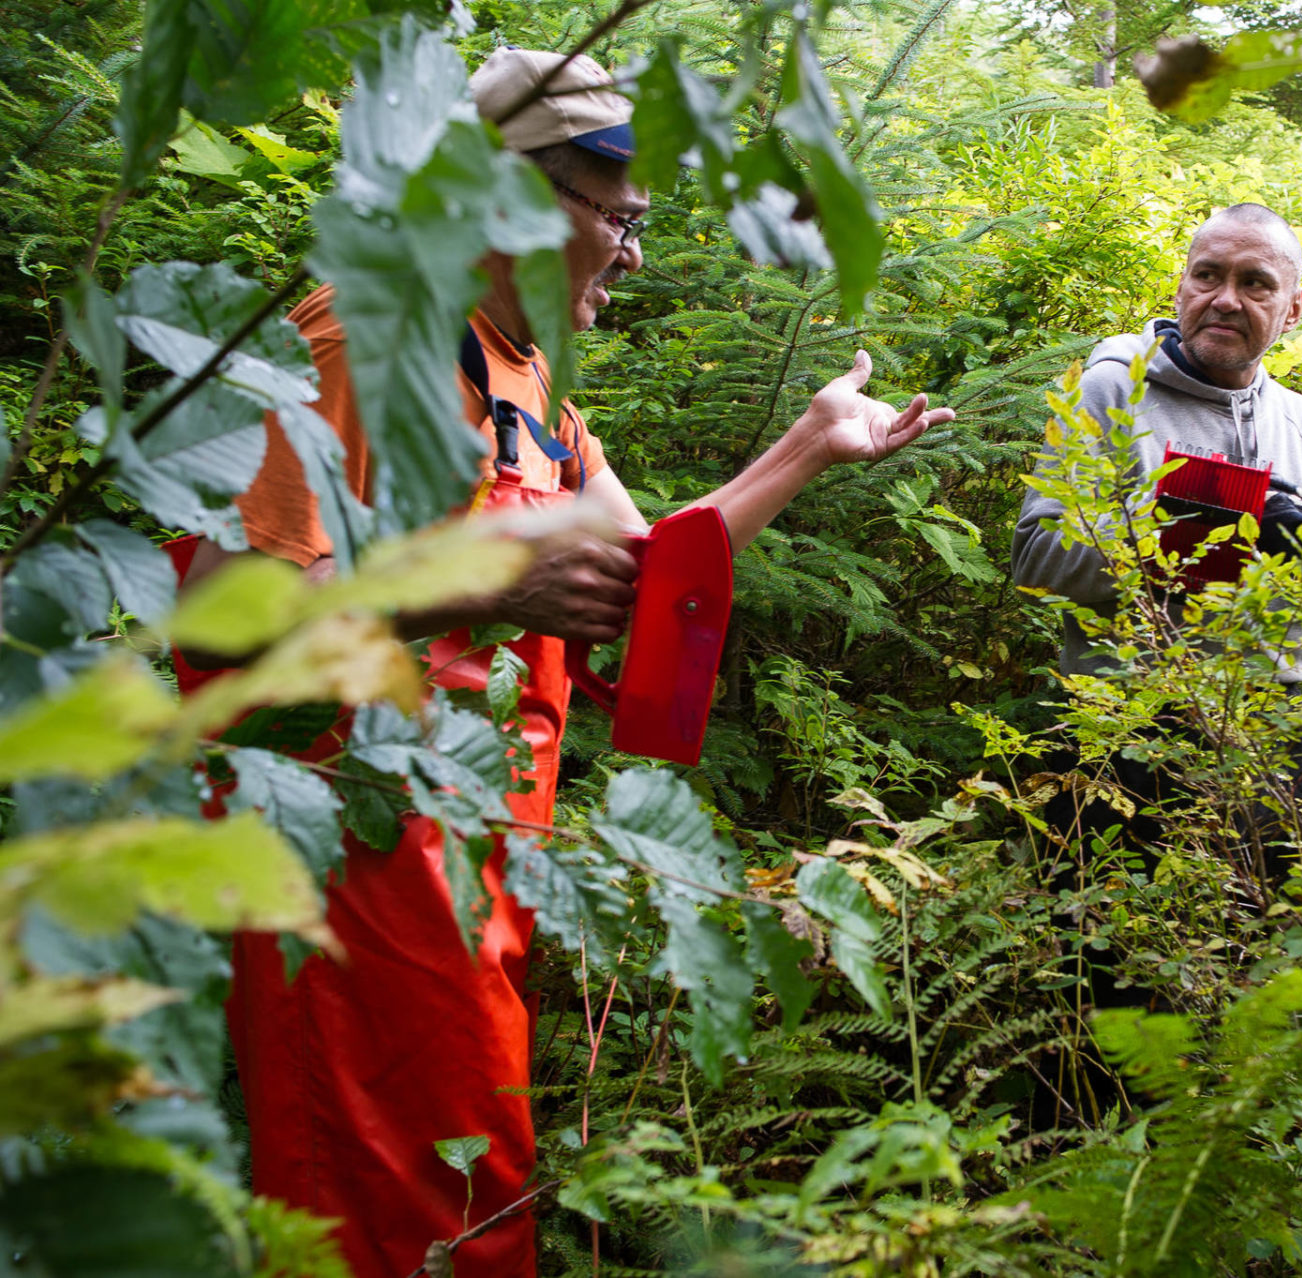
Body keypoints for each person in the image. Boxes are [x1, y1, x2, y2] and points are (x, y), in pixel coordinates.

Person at [176, 49, 952, 1277]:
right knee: (396, 1207)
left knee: (471, 1187)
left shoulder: (522, 370)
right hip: (346, 861)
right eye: (622, 221)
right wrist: (489, 585)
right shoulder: (362, 333)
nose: (634, 255)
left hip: (478, 858)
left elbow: (649, 572)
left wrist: (807, 446)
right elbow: (220, 622)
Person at [1010, 204, 1302, 898]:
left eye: (1255, 283)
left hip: (1272, 725)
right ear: (1181, 288)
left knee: (1253, 945)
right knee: (1104, 958)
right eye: (1207, 275)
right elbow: (1035, 554)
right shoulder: (1110, 390)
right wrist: (1211, 536)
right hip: (1126, 719)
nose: (1225, 299)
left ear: (1292, 310)